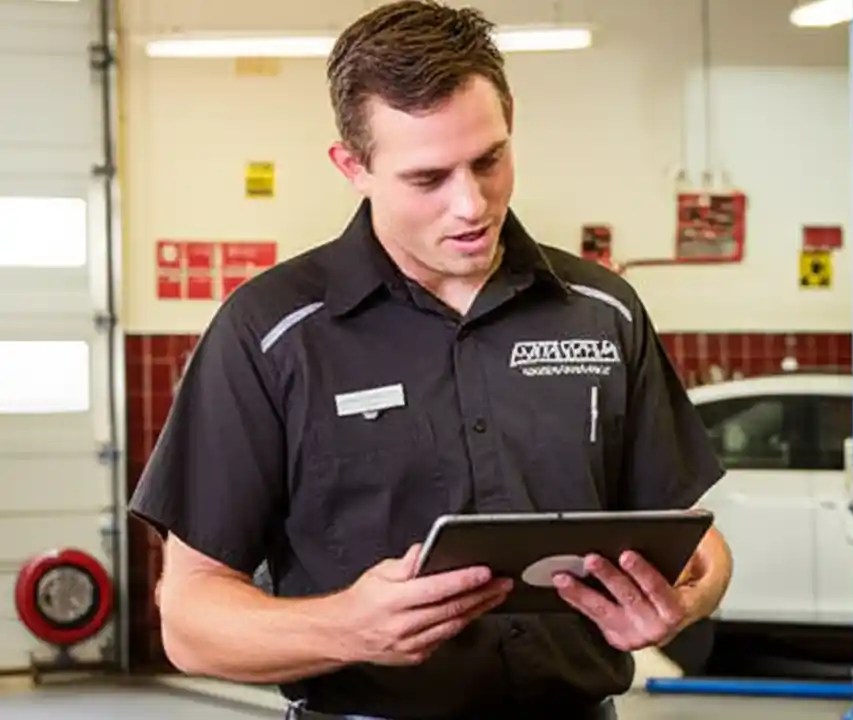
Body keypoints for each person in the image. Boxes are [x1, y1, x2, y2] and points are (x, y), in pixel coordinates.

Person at [127, 2, 733, 718]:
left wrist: (684, 601)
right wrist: (347, 626)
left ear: (510, 122)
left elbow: (698, 541)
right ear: (352, 165)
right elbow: (191, 620)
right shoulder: (271, 333)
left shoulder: (604, 310)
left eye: (489, 160)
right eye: (427, 179)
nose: (471, 204)